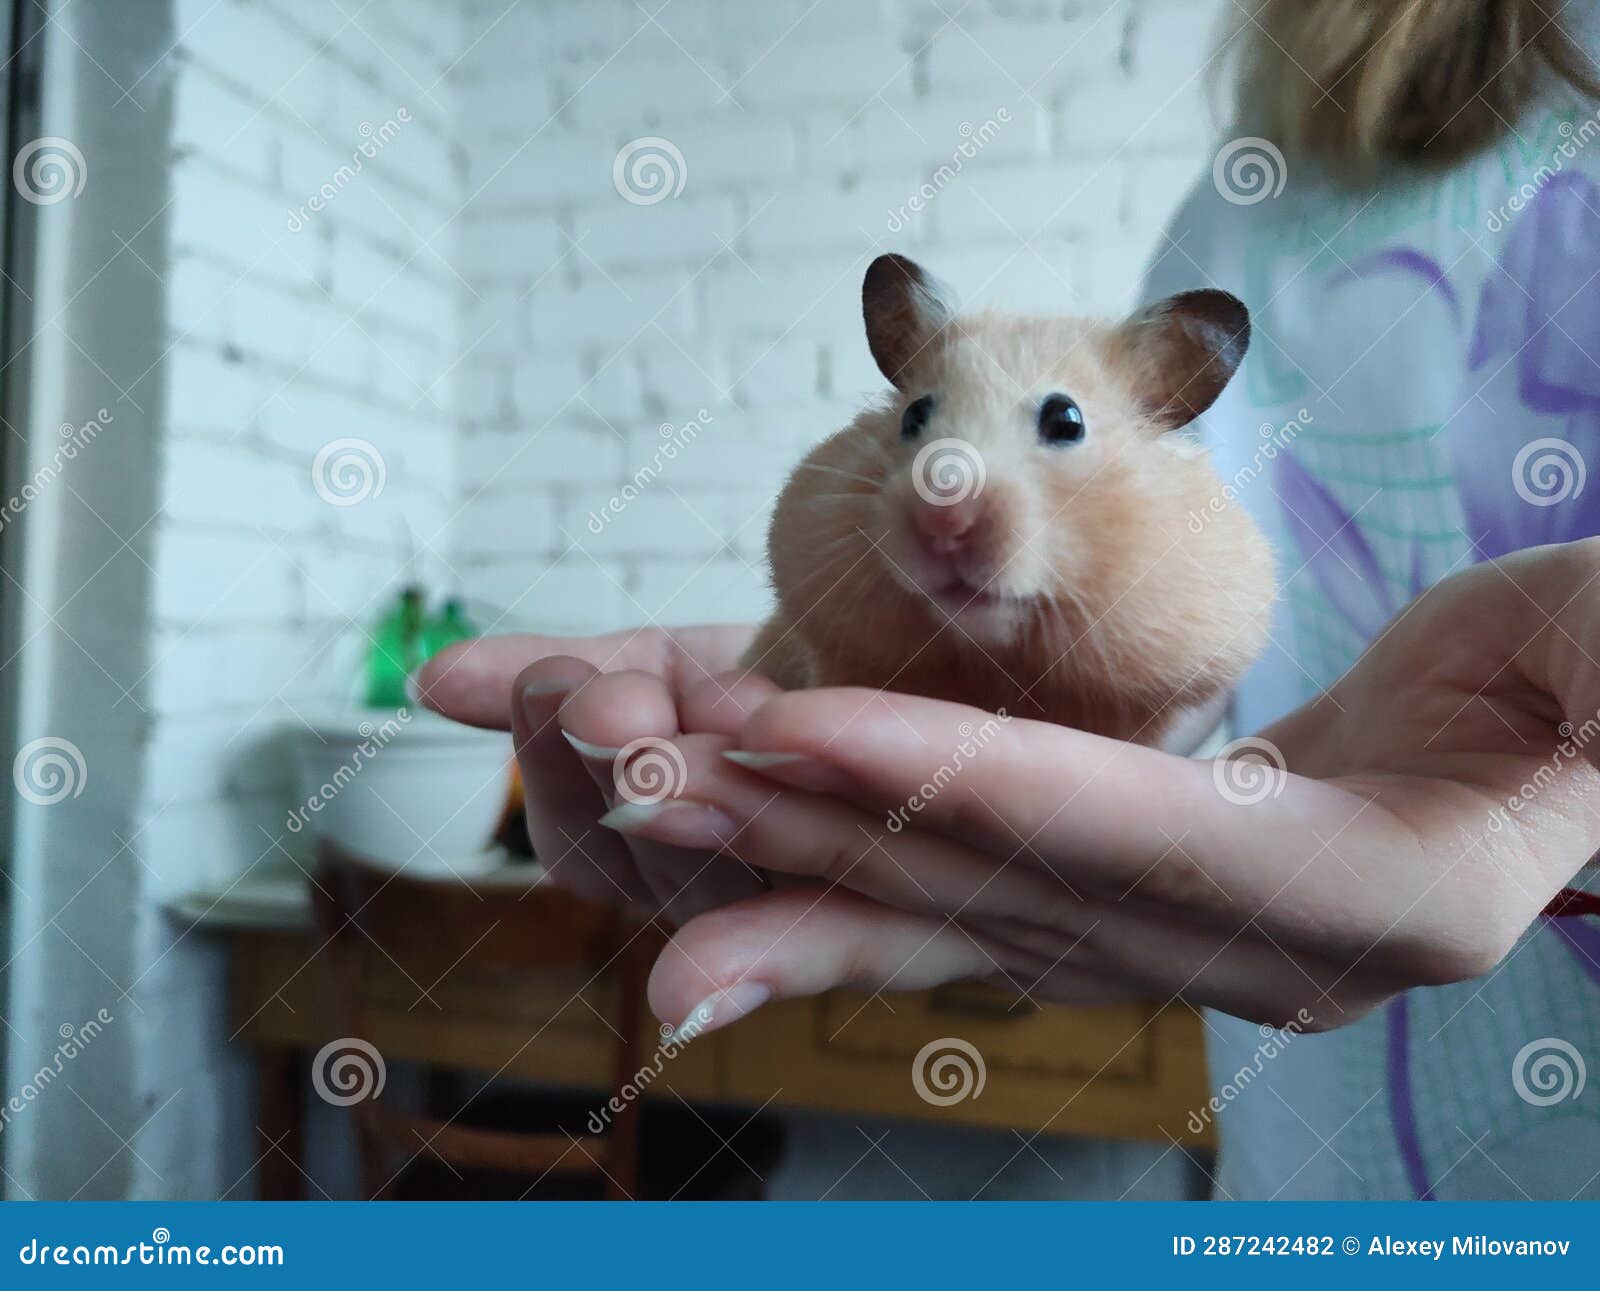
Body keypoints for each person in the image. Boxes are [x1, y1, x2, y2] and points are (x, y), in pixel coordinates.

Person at [419, 0, 1600, 1199]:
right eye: (922, 421)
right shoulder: (1286, 142)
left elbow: (1222, 621)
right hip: (1313, 1139)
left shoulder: (1179, 481)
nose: (945, 489)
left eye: (1057, 429)